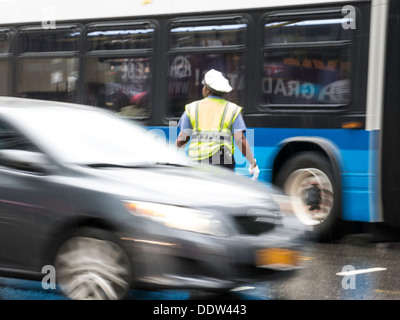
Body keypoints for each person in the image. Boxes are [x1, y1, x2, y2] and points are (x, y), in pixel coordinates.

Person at [175, 69, 260, 181]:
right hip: (223, 163)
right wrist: (252, 163)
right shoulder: (232, 109)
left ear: (207, 89)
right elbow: (240, 139)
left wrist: (174, 156)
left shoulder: (192, 108)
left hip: (197, 162)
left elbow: (182, 138)